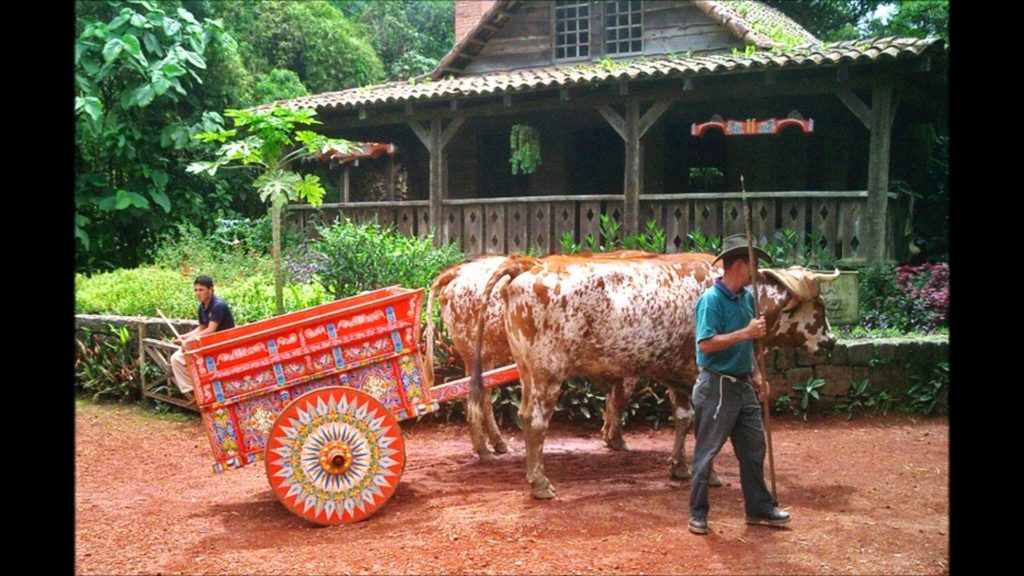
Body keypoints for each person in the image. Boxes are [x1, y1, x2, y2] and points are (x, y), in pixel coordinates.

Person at [688, 234, 790, 535]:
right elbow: (705, 345)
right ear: (739, 264)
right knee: (707, 452)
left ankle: (758, 507)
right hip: (716, 386)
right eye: (753, 264)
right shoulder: (711, 301)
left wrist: (757, 375)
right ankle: (697, 513)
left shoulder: (746, 298)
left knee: (754, 448)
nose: (756, 271)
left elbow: (749, 346)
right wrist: (745, 333)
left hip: (743, 384)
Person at [170, 275, 236, 402]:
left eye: (201, 290)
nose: (198, 293)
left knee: (181, 357)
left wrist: (189, 341)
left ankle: (199, 391)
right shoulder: (202, 306)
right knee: (177, 359)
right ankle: (194, 390)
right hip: (208, 342)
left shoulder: (218, 306)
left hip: (221, 343)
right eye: (196, 290)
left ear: (211, 290)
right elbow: (201, 328)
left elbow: (211, 330)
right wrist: (186, 336)